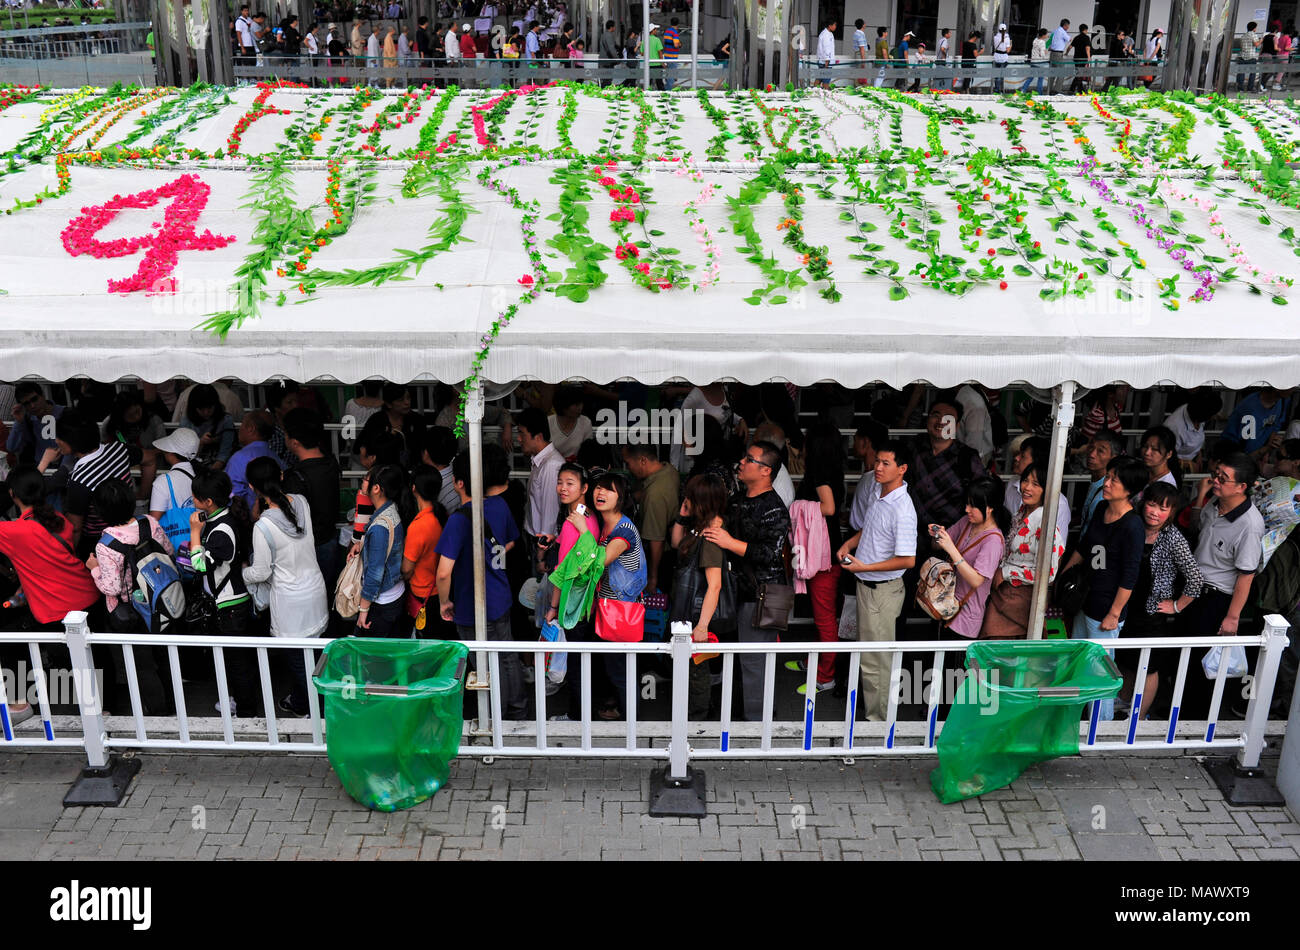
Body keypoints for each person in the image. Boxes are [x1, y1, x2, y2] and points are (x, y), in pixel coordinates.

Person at [0, 466, 110, 722]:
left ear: (13, 494)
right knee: (94, 652)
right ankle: (103, 708)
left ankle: (19, 705)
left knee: (11, 642)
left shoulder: (15, 532)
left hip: (55, 607)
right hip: (88, 595)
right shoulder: (59, 519)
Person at [699, 441, 790, 722]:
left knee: (754, 663)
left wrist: (729, 541)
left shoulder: (775, 508)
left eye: (749, 459)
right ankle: (744, 717)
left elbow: (770, 554)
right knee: (741, 662)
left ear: (766, 470)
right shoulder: (738, 499)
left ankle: (756, 726)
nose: (741, 462)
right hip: (736, 592)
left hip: (764, 595)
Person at [436, 446, 525, 719]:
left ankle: (494, 716)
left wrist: (444, 602)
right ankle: (517, 709)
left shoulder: (458, 520)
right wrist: (490, 556)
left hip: (472, 603)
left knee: (483, 662)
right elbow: (509, 541)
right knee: (508, 656)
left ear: (459, 482)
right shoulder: (499, 505)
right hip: (501, 595)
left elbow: (442, 572)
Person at [1061, 456, 1146, 720]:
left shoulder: (1133, 525)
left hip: (1105, 609)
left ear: (1129, 489)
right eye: (1107, 477)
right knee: (1078, 661)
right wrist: (1064, 578)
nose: (1106, 483)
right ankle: (1073, 719)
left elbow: (1130, 575)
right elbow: (1084, 548)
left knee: (1100, 671)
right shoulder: (1101, 510)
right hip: (1085, 598)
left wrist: (1114, 613)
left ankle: (1101, 726)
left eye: (1113, 480)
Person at [836, 439, 917, 720]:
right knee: (870, 657)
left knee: (878, 661)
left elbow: (908, 560)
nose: (878, 467)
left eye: (886, 463)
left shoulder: (903, 509)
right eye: (878, 461)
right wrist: (850, 544)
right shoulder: (878, 493)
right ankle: (876, 719)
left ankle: (879, 725)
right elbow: (869, 529)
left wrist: (864, 566)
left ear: (902, 469)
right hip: (867, 585)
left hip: (882, 590)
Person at [241, 458, 326, 717]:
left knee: (299, 663)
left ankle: (320, 711)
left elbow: (262, 572)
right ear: (280, 474)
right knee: (316, 656)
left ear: (251, 487)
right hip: (316, 592)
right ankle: (301, 703)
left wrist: (243, 572)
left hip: (290, 603)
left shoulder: (263, 526)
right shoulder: (301, 502)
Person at [1115, 482, 1203, 720]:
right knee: (1126, 661)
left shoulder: (1173, 538)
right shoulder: (1134, 526)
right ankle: (1123, 704)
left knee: (1149, 667)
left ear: (1172, 513)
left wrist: (1176, 605)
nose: (1155, 512)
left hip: (1153, 614)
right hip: (1127, 608)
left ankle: (1139, 717)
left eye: (1163, 508)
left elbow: (1195, 579)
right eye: (1152, 505)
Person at [188, 468, 258, 717]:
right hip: (229, 602)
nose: (192, 501)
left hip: (231, 605)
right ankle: (239, 701)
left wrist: (194, 532)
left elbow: (200, 565)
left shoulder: (221, 530)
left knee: (238, 662)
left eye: (195, 497)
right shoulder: (223, 518)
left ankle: (247, 711)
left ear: (208, 502)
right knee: (235, 658)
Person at [784, 422, 845, 694]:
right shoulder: (832, 468)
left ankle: (825, 677)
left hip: (823, 555)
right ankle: (815, 662)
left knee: (824, 618)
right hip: (822, 550)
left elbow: (829, 508)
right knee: (820, 615)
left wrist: (797, 506)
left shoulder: (820, 471)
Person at [1185, 452, 1265, 646]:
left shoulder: (1249, 525)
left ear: (1241, 487)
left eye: (1223, 478)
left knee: (1199, 661)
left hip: (1215, 598)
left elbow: (1246, 575)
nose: (1215, 481)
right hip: (1193, 588)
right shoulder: (1215, 502)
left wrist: (1232, 617)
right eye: (1216, 474)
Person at [981, 461, 1063, 639]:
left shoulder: (1044, 521)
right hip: (1005, 594)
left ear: (1047, 489)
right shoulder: (1021, 512)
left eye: (1036, 484)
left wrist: (1007, 572)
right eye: (1026, 480)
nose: (1027, 487)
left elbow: (1048, 573)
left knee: (1000, 651)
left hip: (1021, 599)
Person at [670, 472, 729, 717]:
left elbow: (714, 585)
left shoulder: (711, 537)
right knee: (692, 669)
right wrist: (682, 517)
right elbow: (676, 544)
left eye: (690, 497)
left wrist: (702, 626)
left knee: (697, 672)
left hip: (696, 616)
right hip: (688, 612)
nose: (686, 500)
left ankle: (696, 721)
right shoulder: (699, 528)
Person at [906, 394, 986, 560]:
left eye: (948, 418)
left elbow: (981, 497)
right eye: (935, 415)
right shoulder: (913, 448)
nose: (941, 421)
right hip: (910, 536)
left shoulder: (967, 457)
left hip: (950, 540)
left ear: (956, 425)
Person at [57, 412, 134, 559]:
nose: (56, 440)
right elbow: (149, 459)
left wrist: (67, 558)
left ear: (73, 442)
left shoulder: (80, 479)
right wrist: (142, 493)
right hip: (129, 529)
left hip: (98, 544)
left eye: (60, 437)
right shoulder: (119, 449)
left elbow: (75, 528)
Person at [281, 408, 342, 589]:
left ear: (294, 442)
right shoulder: (331, 463)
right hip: (330, 540)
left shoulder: (296, 477)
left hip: (308, 549)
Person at [352, 464, 409, 637]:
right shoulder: (392, 509)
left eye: (365, 479)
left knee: (374, 657)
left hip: (381, 601)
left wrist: (363, 610)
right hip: (395, 593)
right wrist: (363, 545)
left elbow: (375, 573)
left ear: (376, 489)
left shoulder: (379, 528)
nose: (363, 481)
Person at [623, 443, 678, 596]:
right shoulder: (668, 470)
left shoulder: (655, 495)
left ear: (642, 461)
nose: (628, 469)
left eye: (629, 464)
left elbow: (656, 541)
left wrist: (653, 578)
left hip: (660, 559)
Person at [517, 407, 563, 571]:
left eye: (522, 433)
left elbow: (550, 516)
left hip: (543, 546)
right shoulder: (540, 461)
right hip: (536, 540)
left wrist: (541, 557)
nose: (519, 439)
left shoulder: (551, 466)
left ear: (538, 436)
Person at [1004, 436, 1070, 544]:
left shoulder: (1058, 503)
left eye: (1023, 456)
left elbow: (1057, 551)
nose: (1016, 458)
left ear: (1037, 462)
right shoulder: (1012, 484)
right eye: (1025, 481)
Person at [401, 467, 444, 636]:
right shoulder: (441, 514)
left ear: (414, 489)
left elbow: (406, 568)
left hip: (422, 593)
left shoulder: (418, 526)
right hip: (439, 589)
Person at [103, 389, 165, 499]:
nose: (136, 417)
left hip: (152, 470)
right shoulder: (110, 425)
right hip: (123, 474)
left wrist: (142, 457)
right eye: (130, 415)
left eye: (137, 411)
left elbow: (163, 448)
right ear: (121, 417)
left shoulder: (154, 420)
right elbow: (106, 449)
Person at [1220, 387, 1294, 468]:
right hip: (1238, 458)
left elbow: (1276, 425)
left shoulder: (1283, 401)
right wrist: (1265, 450)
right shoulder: (1249, 407)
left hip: (1257, 458)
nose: (1293, 388)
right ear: (1277, 387)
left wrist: (1269, 448)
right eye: (1289, 385)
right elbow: (1245, 448)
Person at [359, 383, 426, 469]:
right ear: (388, 404)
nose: (407, 402)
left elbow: (422, 448)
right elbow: (362, 445)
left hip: (411, 472)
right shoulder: (376, 420)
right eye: (401, 400)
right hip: (383, 472)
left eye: (408, 398)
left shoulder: (417, 420)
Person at [226, 410, 280, 509]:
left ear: (251, 428)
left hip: (252, 519)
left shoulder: (239, 458)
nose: (239, 429)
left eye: (242, 424)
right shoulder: (276, 458)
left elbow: (233, 496)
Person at [1078, 430, 1126, 540]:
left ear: (1113, 457)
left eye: (1100, 451)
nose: (1091, 454)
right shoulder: (1096, 481)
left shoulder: (1108, 492)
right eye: (1091, 447)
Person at [7, 382, 65, 471]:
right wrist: (19, 422)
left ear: (42, 395)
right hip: (40, 470)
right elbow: (11, 447)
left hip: (63, 470)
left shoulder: (64, 414)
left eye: (34, 399)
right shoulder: (27, 420)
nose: (32, 406)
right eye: (26, 403)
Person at [148, 428, 200, 525]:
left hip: (171, 540)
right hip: (198, 537)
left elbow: (153, 522)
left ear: (170, 452)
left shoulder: (163, 481)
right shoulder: (201, 476)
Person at [179, 384, 236, 470]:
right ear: (194, 408)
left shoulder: (225, 421)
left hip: (218, 470)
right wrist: (201, 443)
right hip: (192, 468)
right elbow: (185, 455)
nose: (206, 412)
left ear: (215, 405)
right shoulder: (186, 422)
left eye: (209, 408)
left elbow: (224, 453)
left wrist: (210, 474)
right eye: (201, 409)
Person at [1164, 389, 1222, 472]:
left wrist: (1198, 455)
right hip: (1176, 467)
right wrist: (1188, 464)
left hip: (1193, 459)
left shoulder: (1198, 413)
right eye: (1212, 415)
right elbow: (1166, 458)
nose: (1214, 417)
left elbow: (1197, 435)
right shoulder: (1174, 428)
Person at [547, 387, 593, 460]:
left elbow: (588, 451)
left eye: (581, 403)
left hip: (577, 467)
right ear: (563, 405)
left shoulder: (585, 422)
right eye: (576, 405)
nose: (580, 407)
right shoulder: (548, 422)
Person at [1137, 425, 1181, 498]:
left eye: (1154, 449)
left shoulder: (1167, 486)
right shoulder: (1144, 471)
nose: (1147, 453)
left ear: (1169, 454)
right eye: (1145, 446)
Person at [1022, 27, 1048, 93]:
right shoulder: (1042, 42)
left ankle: (1023, 90)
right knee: (1040, 78)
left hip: (1033, 61)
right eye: (1047, 34)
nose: (1047, 35)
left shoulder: (1035, 40)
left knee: (1030, 77)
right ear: (1043, 35)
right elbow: (1042, 54)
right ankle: (1040, 93)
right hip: (1040, 63)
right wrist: (1045, 52)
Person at [1068, 22, 1093, 94]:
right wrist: (1088, 57)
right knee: (1079, 74)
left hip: (1076, 58)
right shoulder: (1086, 37)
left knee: (1078, 73)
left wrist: (1066, 53)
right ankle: (1075, 89)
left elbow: (1070, 47)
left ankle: (1077, 89)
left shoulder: (1076, 37)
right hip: (1083, 58)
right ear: (1085, 30)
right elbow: (1087, 48)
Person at [1048, 17, 1070, 94]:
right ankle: (1057, 90)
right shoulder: (1062, 31)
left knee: (1052, 72)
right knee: (1061, 72)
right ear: (1065, 25)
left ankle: (1049, 89)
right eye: (1068, 26)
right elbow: (1069, 39)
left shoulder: (1055, 31)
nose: (1068, 28)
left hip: (1052, 53)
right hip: (1058, 54)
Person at [1238, 21, 1260, 92]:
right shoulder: (1253, 35)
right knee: (1252, 72)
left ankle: (1240, 88)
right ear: (1254, 28)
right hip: (1251, 56)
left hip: (1242, 56)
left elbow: (1241, 46)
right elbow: (1256, 44)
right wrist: (1261, 40)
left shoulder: (1243, 36)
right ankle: (1250, 88)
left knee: (1241, 72)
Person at [991, 22, 1010, 93]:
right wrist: (1011, 45)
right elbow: (1008, 50)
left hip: (996, 57)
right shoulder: (1007, 38)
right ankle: (1001, 90)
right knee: (1001, 75)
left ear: (998, 29)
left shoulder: (995, 37)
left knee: (997, 75)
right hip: (1004, 58)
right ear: (1005, 30)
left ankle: (996, 90)